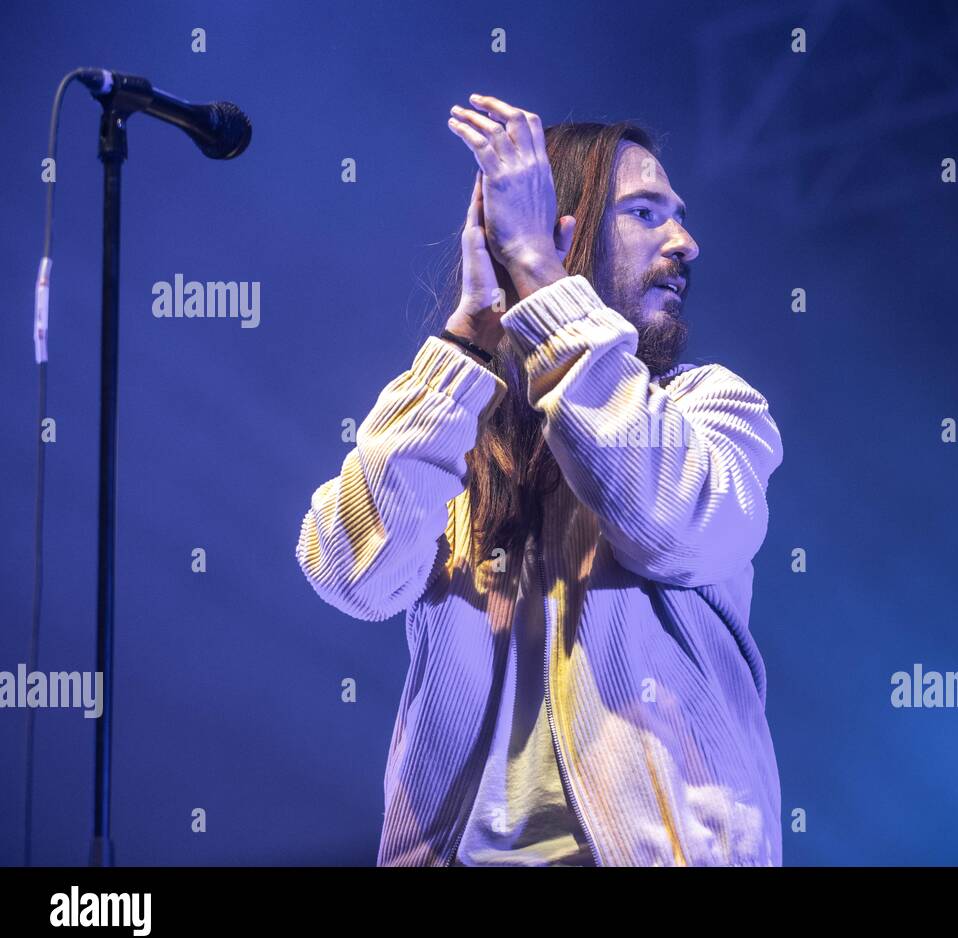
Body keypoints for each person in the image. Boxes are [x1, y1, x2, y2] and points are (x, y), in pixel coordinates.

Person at [294, 93, 784, 866]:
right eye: (648, 213)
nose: (686, 242)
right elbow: (353, 575)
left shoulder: (712, 407)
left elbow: (667, 521)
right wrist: (464, 345)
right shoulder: (451, 428)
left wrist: (543, 284)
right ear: (565, 230)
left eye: (678, 215)